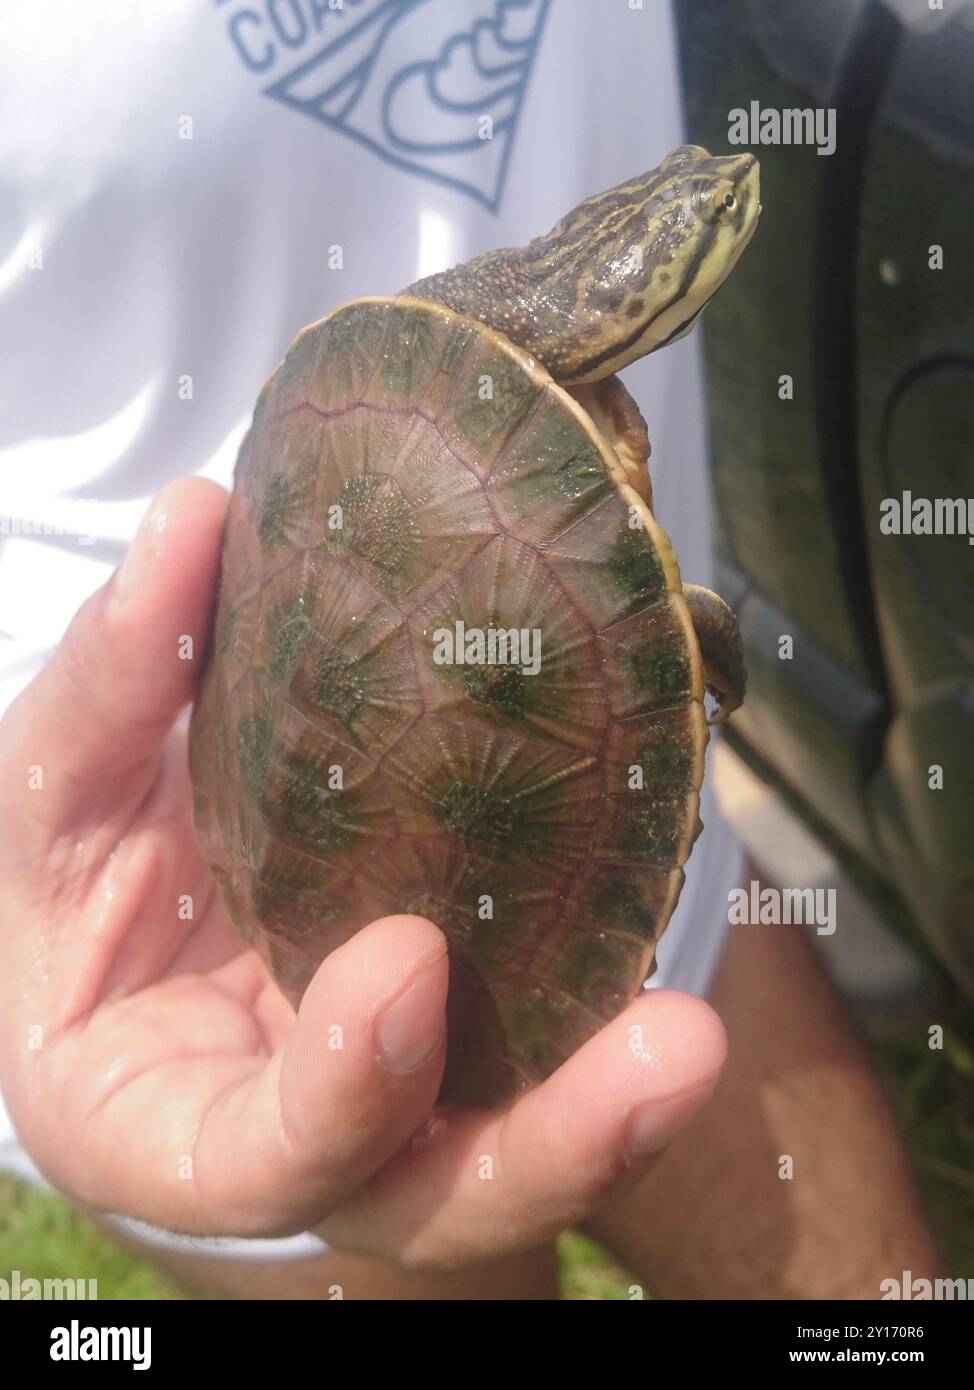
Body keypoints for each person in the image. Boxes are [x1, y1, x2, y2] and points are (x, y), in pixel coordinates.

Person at [0, 0, 939, 1298]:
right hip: (194, 936)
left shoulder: (492, 332)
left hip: (574, 789)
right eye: (701, 230)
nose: (731, 203)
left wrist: (662, 671)